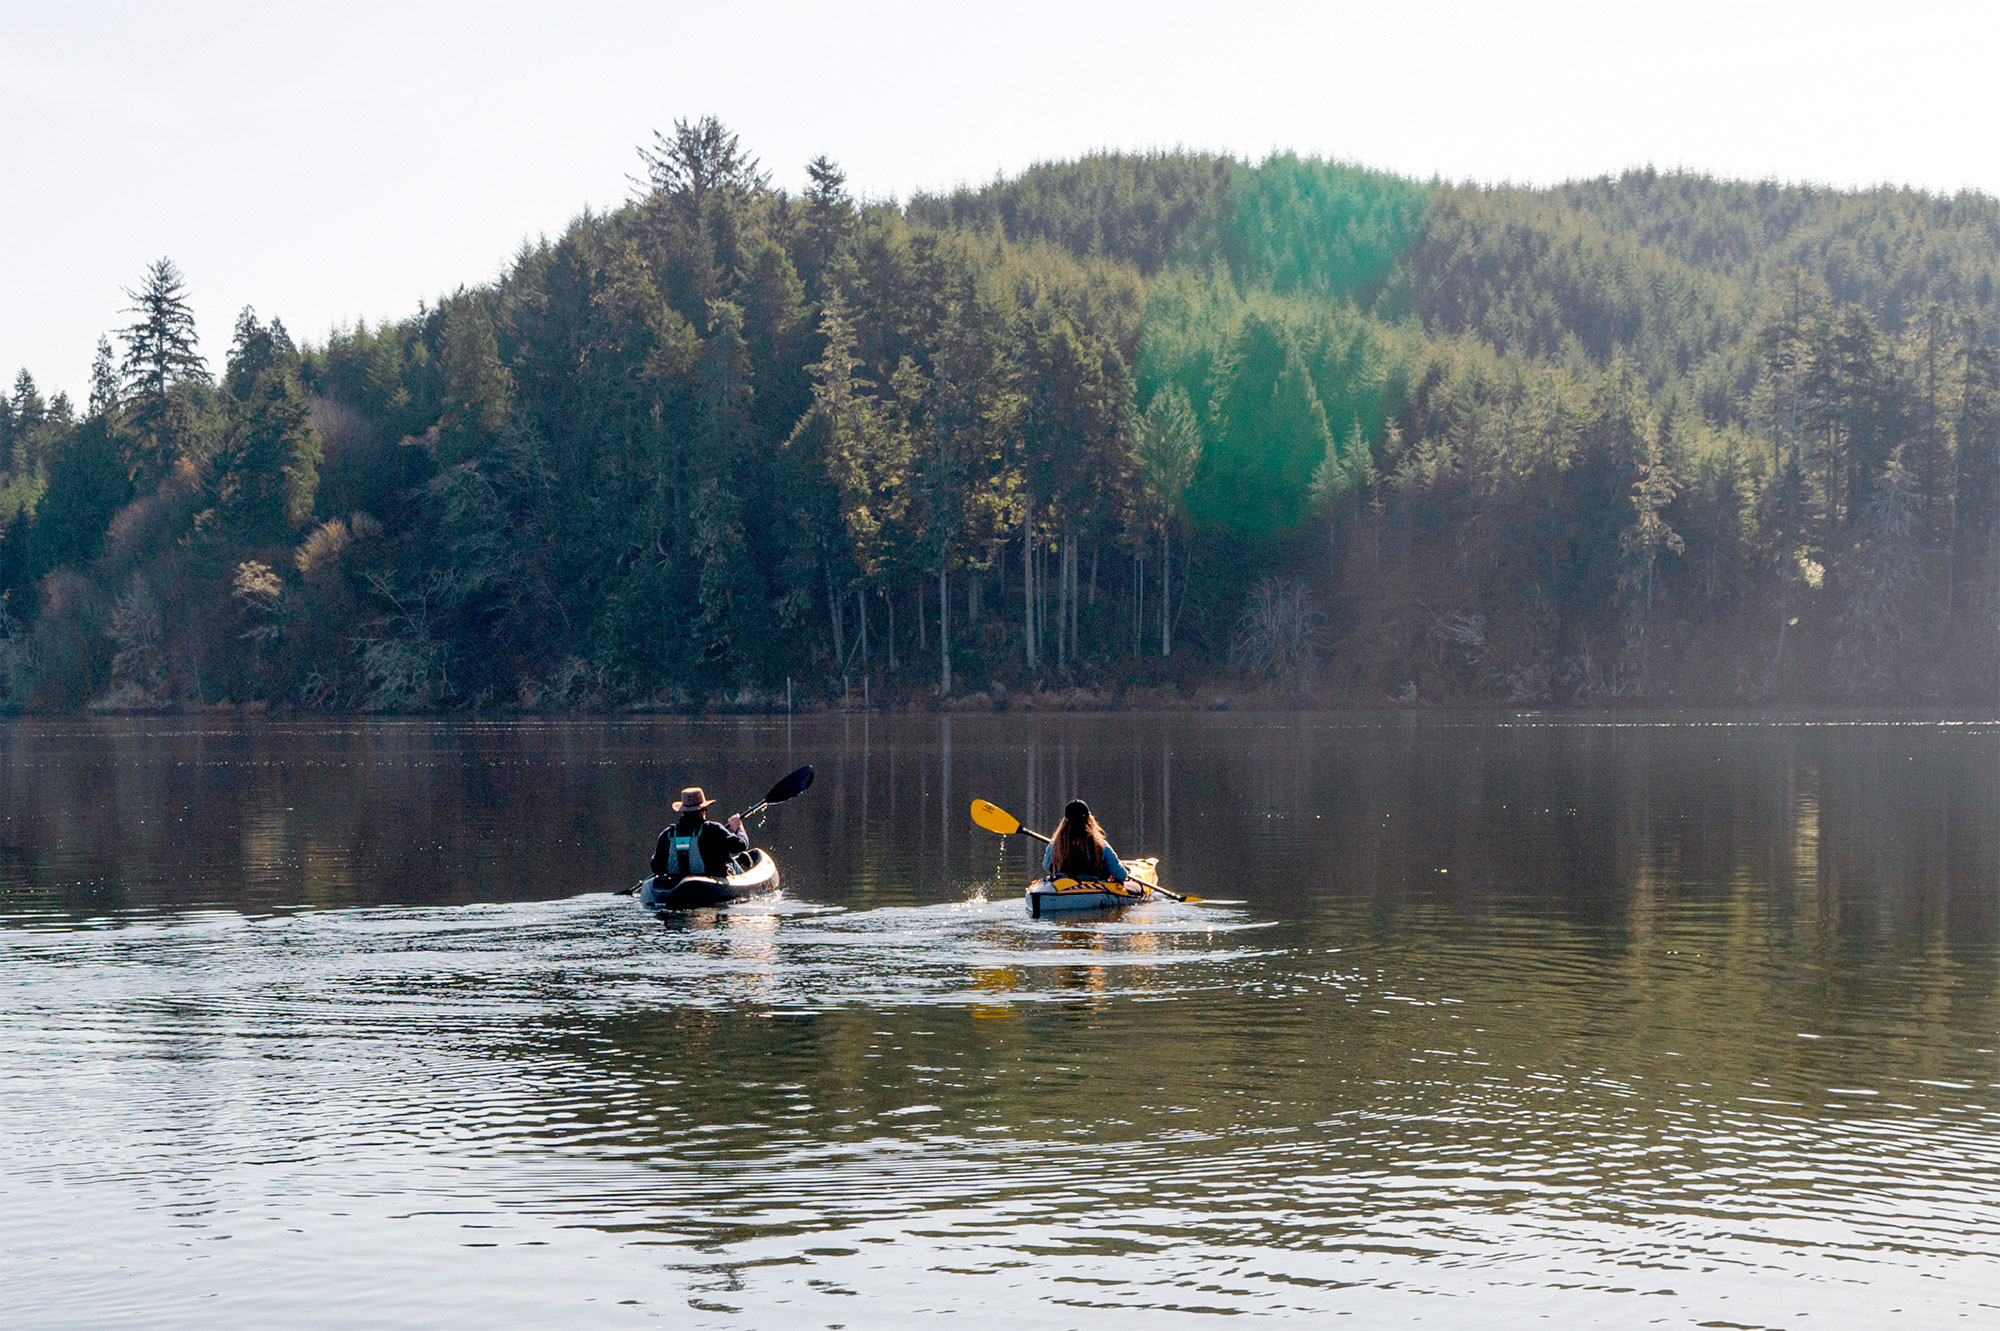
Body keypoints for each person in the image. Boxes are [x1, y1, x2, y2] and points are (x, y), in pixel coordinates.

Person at [652, 786, 750, 883]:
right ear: (702, 810)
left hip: (677, 889)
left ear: (683, 811)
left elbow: (656, 867)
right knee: (733, 863)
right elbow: (741, 845)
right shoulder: (713, 829)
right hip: (712, 888)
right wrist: (738, 827)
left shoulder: (667, 834)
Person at [1044, 799, 1128, 883]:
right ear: (1089, 821)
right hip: (1094, 890)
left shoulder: (1054, 844)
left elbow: (1046, 866)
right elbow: (1121, 875)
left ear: (1065, 822)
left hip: (1062, 888)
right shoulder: (1100, 845)